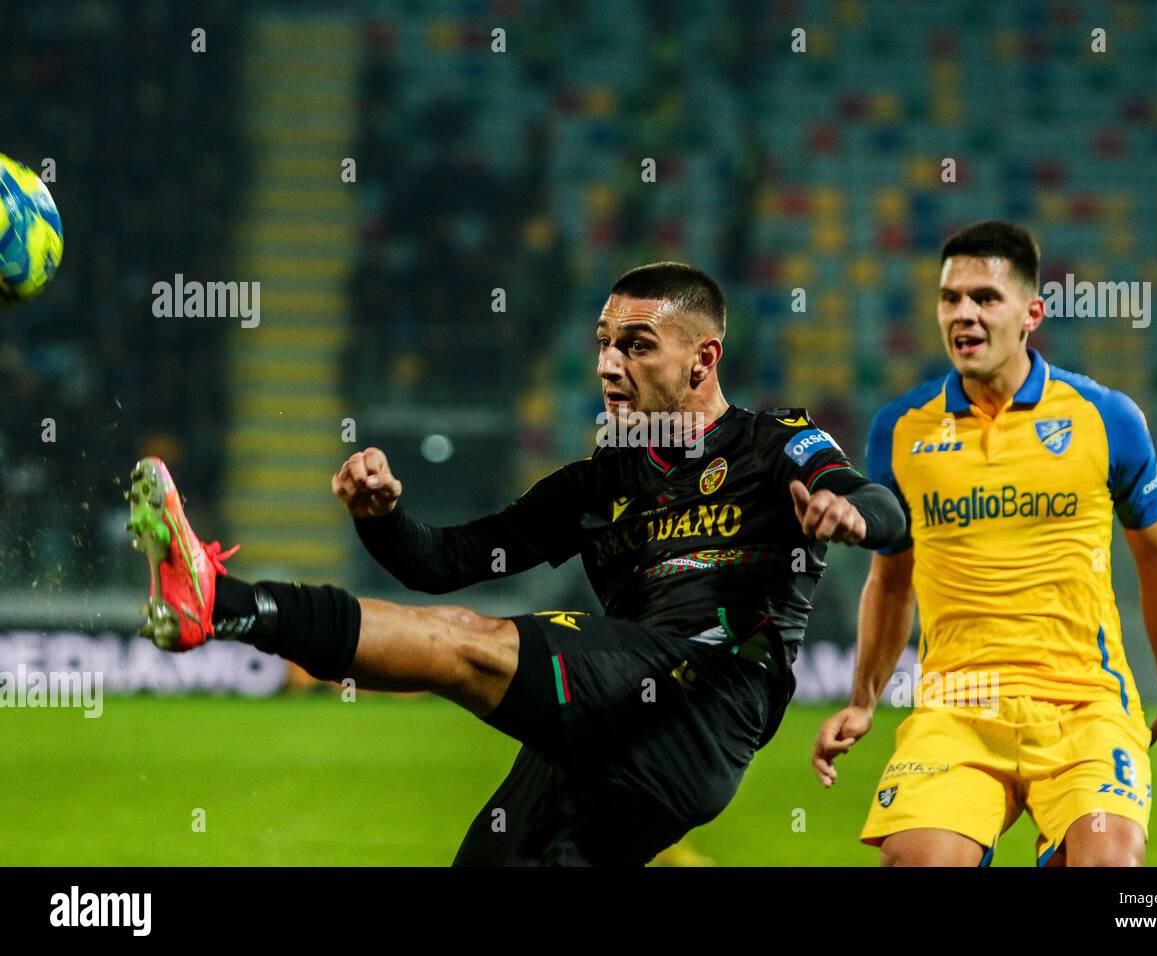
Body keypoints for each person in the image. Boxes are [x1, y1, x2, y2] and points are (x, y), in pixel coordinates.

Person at [127, 261, 906, 866]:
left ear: (703, 359)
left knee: (470, 644)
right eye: (603, 342)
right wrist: (383, 519)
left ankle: (225, 603)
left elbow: (883, 509)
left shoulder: (777, 444)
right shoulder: (600, 479)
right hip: (609, 726)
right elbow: (444, 561)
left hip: (706, 700)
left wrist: (847, 516)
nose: (608, 365)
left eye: (637, 345)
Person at [812, 222, 1157, 866]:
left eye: (986, 298)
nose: (963, 313)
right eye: (950, 298)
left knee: (1111, 864)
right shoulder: (900, 430)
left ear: (1031, 314)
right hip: (956, 708)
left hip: (1083, 704)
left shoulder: (1106, 418)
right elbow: (891, 577)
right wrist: (862, 700)